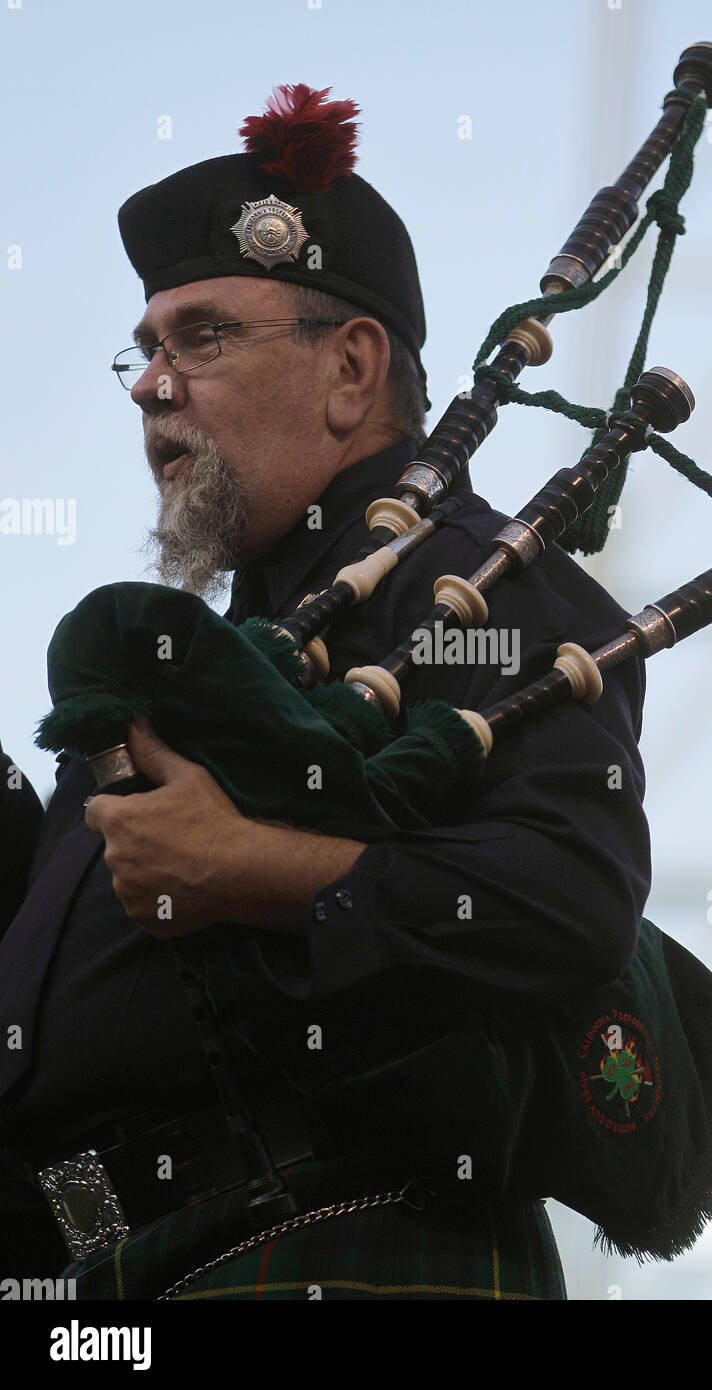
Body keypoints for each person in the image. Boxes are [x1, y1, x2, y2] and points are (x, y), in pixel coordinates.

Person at [0, 85, 651, 1300]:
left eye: (201, 337)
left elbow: (568, 899)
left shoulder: (468, 579)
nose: (151, 385)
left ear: (352, 369)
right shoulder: (207, 651)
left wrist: (246, 865)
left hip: (340, 1253)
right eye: (143, 349)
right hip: (109, 1283)